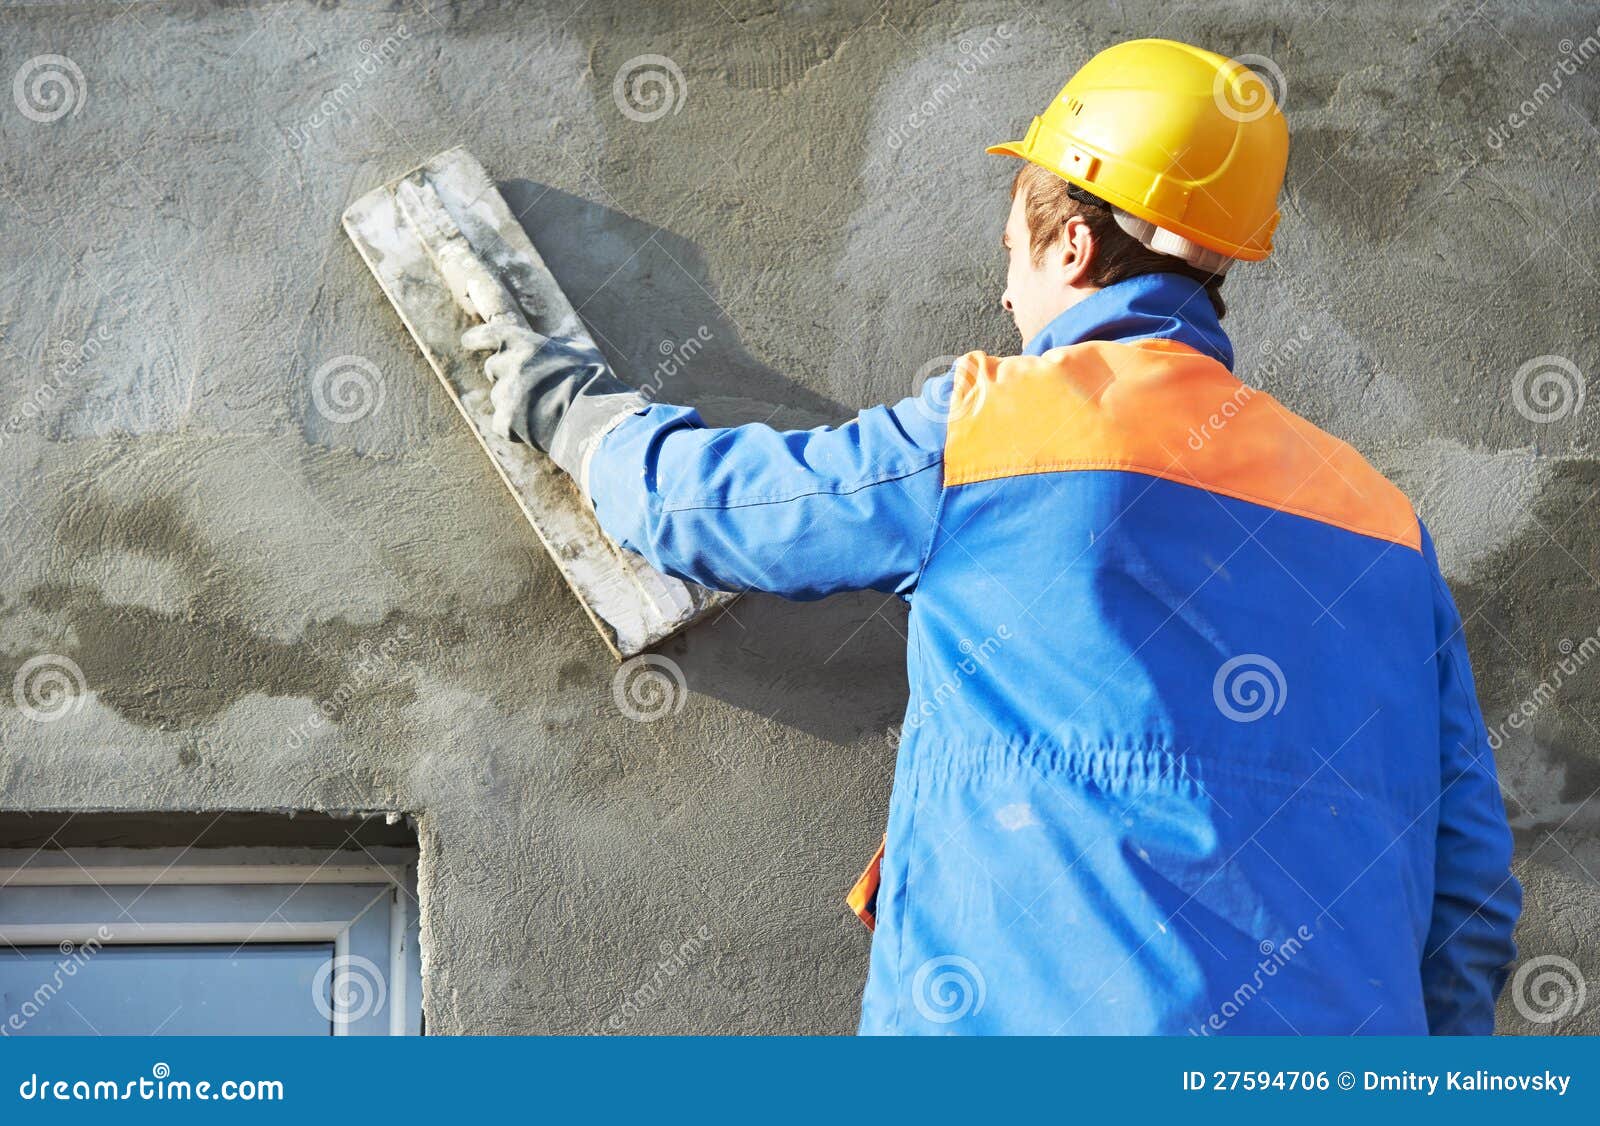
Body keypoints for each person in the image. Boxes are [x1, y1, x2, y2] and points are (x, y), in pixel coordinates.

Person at [464, 38, 1521, 1034]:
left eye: (1013, 251)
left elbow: (717, 509)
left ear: (1073, 243)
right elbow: (1470, 884)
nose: (1005, 292)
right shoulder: (1379, 517)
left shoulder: (1005, 428)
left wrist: (571, 412)